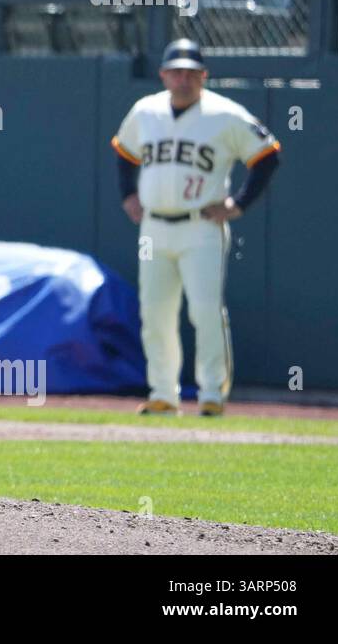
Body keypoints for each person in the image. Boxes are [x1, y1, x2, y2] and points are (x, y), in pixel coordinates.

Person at [112, 39, 281, 417]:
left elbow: (268, 155)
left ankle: (211, 393)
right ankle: (163, 394)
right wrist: (128, 194)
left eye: (191, 73)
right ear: (163, 75)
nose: (183, 79)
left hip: (201, 225)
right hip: (153, 227)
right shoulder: (146, 111)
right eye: (176, 72)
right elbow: (124, 152)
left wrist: (237, 203)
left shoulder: (226, 114)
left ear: (204, 76)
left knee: (204, 310)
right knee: (154, 311)